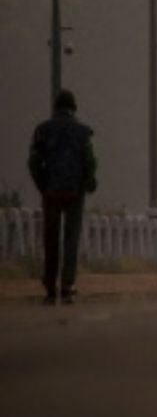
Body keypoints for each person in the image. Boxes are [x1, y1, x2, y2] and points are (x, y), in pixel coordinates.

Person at [27, 90, 96, 305]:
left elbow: (34, 162)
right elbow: (90, 161)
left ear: (55, 107)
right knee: (71, 239)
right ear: (74, 108)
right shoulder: (83, 132)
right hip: (75, 191)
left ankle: (50, 285)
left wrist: (42, 184)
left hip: (51, 191)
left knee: (51, 239)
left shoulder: (43, 130)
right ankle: (67, 284)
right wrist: (88, 182)